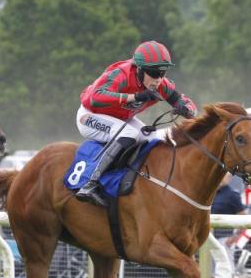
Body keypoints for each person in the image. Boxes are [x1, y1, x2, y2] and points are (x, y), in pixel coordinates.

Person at [75, 40, 198, 207]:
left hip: (119, 119)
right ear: (139, 69)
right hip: (90, 116)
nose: (159, 79)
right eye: (154, 73)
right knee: (129, 134)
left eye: (163, 73)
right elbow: (94, 98)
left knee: (154, 138)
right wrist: (135, 97)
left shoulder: (161, 84)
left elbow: (187, 104)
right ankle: (90, 184)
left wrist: (187, 110)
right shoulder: (121, 74)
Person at [210, 172, 246, 278]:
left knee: (229, 276)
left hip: (224, 240)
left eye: (223, 175)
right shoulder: (211, 193)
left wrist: (235, 237)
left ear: (229, 178)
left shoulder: (232, 195)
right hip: (210, 240)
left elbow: (243, 218)